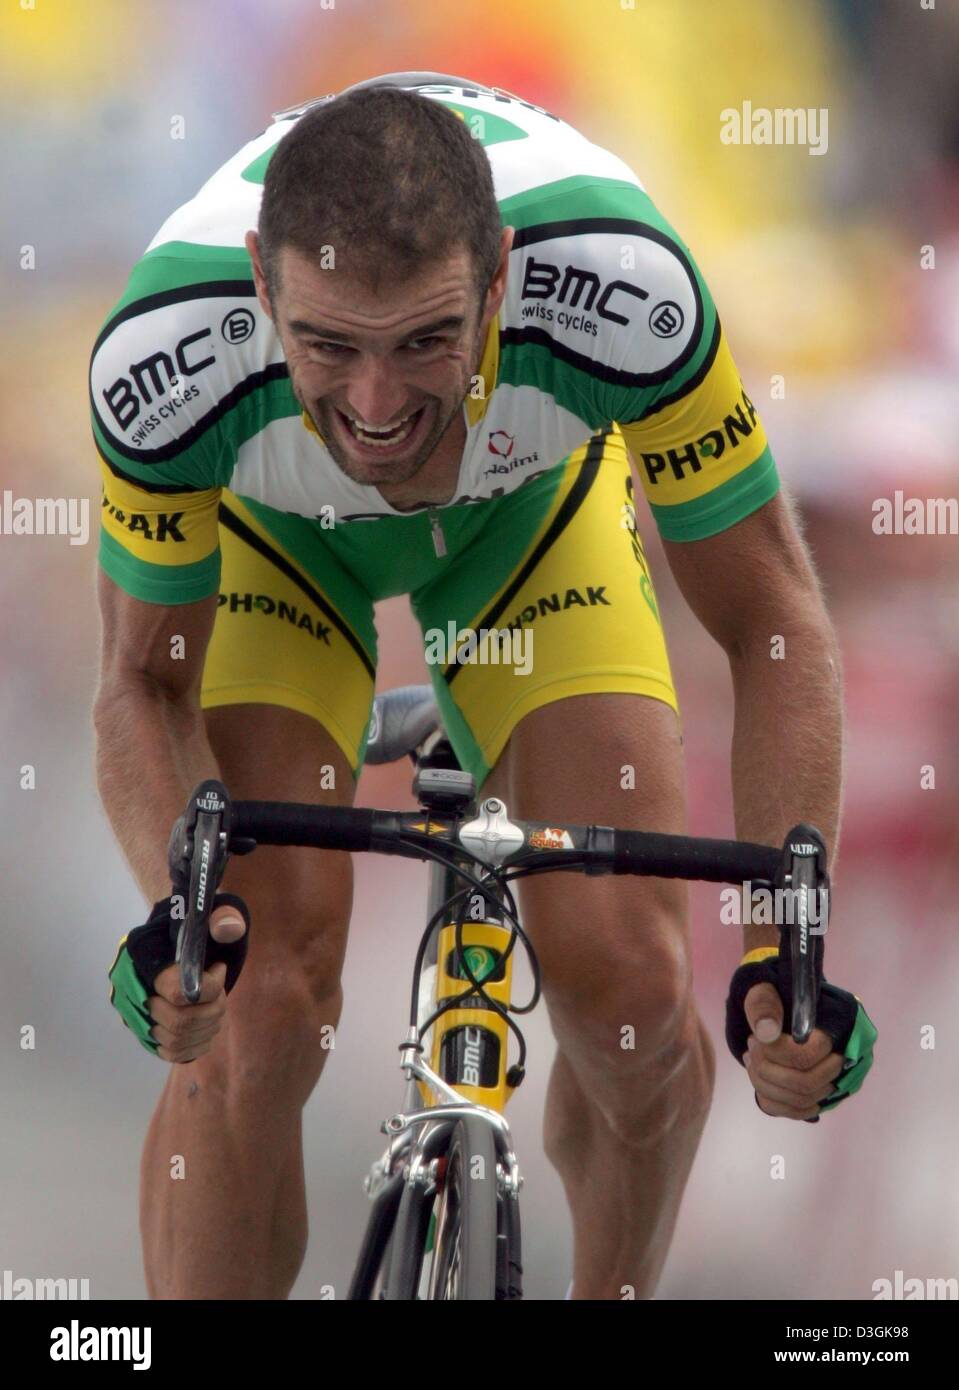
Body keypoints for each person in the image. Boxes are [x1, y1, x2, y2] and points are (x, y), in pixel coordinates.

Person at [92, 73, 874, 1300]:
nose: (374, 403)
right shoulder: (167, 349)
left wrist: (788, 949)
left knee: (637, 998)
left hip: (525, 520)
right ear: (260, 281)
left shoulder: (625, 291)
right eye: (328, 344)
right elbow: (142, 684)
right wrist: (175, 923)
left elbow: (771, 619)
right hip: (278, 543)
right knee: (253, 1000)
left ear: (502, 275)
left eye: (424, 339)